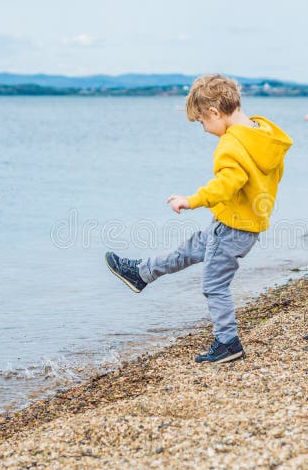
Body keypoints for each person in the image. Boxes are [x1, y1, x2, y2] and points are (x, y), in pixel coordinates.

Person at [105, 74, 293, 363]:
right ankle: (141, 273)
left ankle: (228, 342)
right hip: (244, 223)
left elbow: (226, 184)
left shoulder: (232, 145)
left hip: (231, 227)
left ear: (214, 112)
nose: (205, 129)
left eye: (202, 122)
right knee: (188, 251)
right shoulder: (263, 134)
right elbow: (269, 178)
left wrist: (191, 200)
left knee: (214, 285)